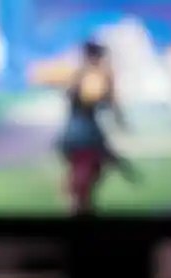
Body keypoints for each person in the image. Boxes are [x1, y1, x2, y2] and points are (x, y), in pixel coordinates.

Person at [57, 41, 134, 214]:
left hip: (74, 133)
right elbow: (100, 100)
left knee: (89, 170)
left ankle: (80, 205)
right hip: (84, 135)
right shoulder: (93, 76)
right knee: (87, 171)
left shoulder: (78, 74)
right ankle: (78, 206)